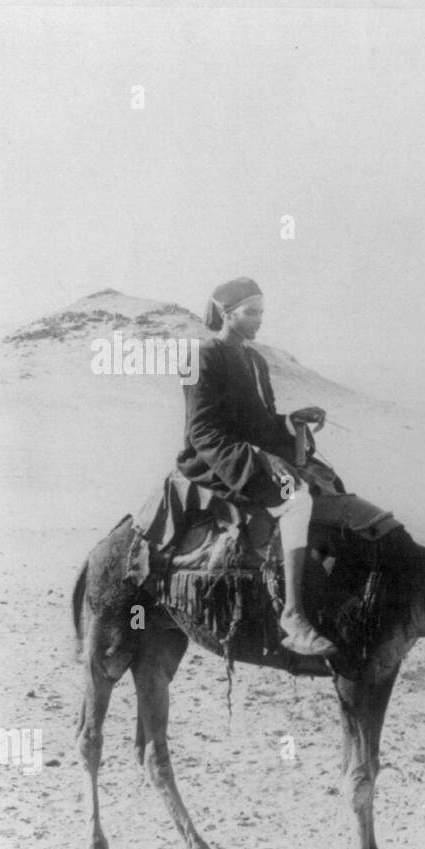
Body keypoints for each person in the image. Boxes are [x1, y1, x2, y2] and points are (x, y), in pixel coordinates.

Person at [175, 277, 338, 657]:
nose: (259, 320)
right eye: (252, 312)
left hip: (250, 450)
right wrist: (262, 458)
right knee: (295, 499)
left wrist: (289, 422)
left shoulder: (255, 360)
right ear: (226, 314)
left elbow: (261, 423)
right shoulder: (201, 358)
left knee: (326, 482)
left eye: (262, 312)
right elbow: (202, 431)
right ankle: (293, 617)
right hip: (214, 459)